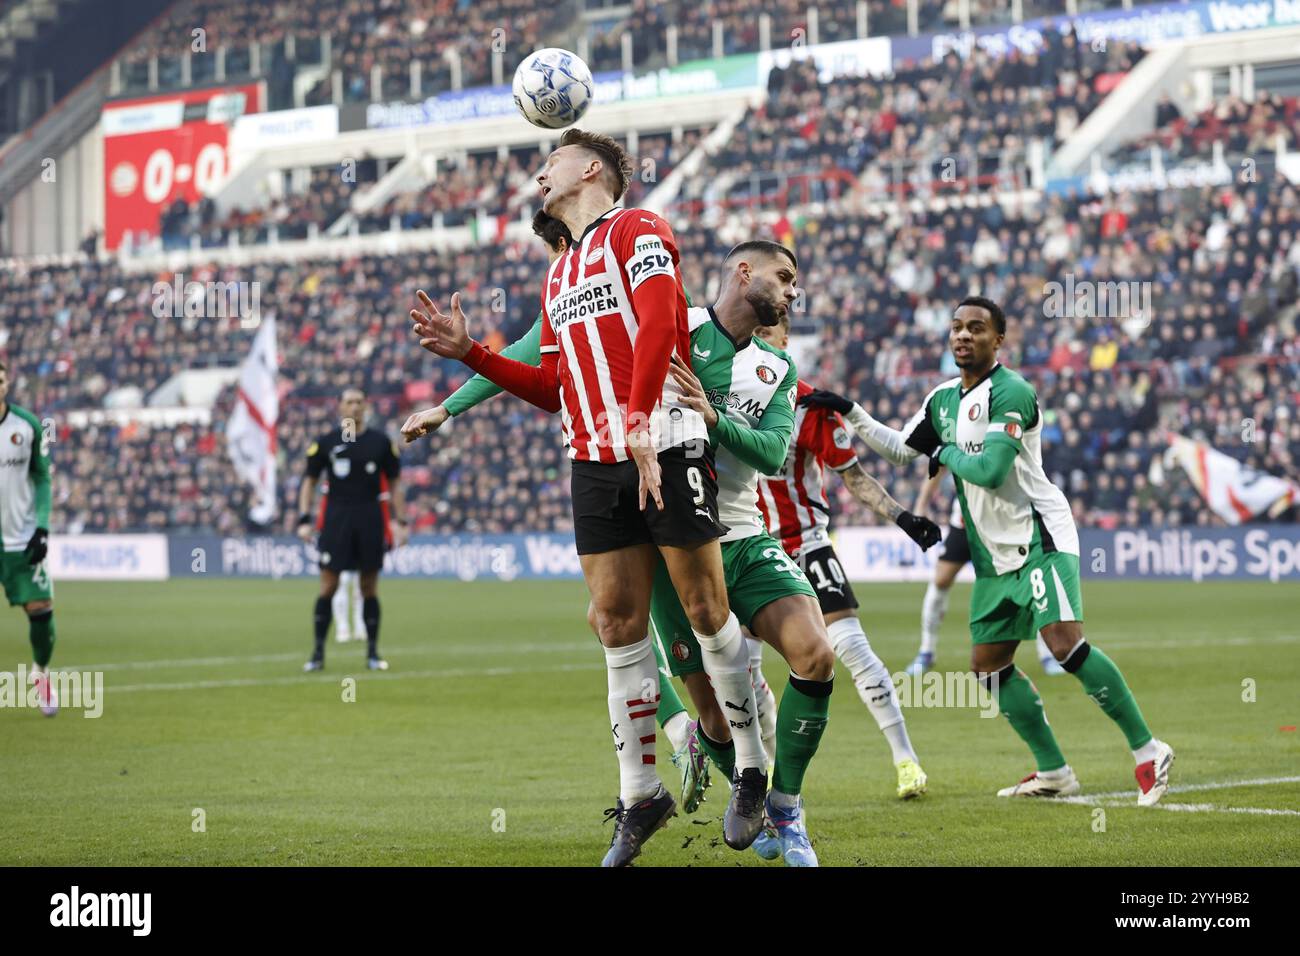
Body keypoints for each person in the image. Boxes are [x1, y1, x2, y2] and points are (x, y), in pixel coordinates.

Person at [410, 129, 772, 864]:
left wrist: (639, 420)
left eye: (552, 162)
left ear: (593, 170)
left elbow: (661, 327)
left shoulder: (640, 229)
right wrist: (472, 355)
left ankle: (753, 768)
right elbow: (552, 389)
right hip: (593, 455)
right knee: (614, 622)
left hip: (665, 440)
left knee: (705, 609)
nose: (540, 173)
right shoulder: (559, 273)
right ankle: (642, 796)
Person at [804, 295, 1175, 805]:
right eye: (956, 326)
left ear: (998, 339)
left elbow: (992, 471)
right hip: (994, 555)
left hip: (1040, 538)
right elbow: (899, 448)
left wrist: (942, 451)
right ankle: (1054, 772)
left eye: (975, 328)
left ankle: (1148, 750)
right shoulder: (941, 399)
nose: (962, 335)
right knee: (988, 665)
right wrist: (852, 411)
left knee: (1065, 644)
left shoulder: (1013, 392)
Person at [753, 318, 942, 801]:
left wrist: (903, 518)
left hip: (806, 544)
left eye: (772, 332)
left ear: (783, 340)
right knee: (742, 667)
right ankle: (772, 771)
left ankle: (905, 758)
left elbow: (853, 479)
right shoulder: (721, 391)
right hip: (749, 546)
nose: (764, 340)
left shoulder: (810, 406)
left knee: (851, 649)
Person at [908, 470, 1064, 677]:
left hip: (1003, 525)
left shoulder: (1004, 439)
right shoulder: (957, 438)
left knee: (1029, 582)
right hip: (965, 523)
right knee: (941, 579)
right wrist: (921, 505)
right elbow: (938, 466)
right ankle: (926, 651)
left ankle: (1046, 654)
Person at [297, 388, 408, 672]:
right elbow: (309, 481)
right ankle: (318, 653)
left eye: (360, 401)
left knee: (368, 587)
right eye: (349, 402)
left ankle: (372, 653)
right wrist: (304, 519)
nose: (355, 407)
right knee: (328, 586)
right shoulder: (326, 442)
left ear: (366, 406)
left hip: (370, 517)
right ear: (340, 407)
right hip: (337, 520)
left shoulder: (380, 442)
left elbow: (395, 484)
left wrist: (401, 522)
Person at [0, 362, 57, 716]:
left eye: (0, 378)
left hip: (19, 538)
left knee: (41, 611)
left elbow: (43, 478)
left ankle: (41, 673)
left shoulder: (27, 425)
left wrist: (42, 526)